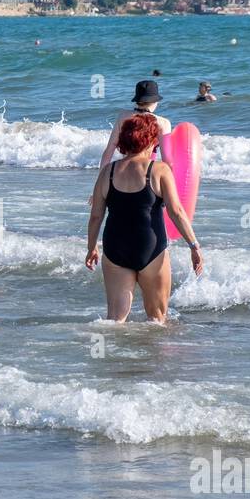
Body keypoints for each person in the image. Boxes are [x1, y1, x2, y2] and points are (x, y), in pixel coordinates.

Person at [86, 112, 203, 321]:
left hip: (115, 250)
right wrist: (194, 246)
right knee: (157, 319)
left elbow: (96, 216)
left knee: (115, 319)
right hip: (152, 250)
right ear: (151, 140)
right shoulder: (159, 170)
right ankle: (153, 355)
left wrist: (91, 247)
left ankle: (112, 353)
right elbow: (176, 212)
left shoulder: (107, 172)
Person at [99, 80, 172, 168]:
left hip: (124, 170)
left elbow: (109, 149)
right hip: (146, 172)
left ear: (137, 100)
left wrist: (102, 175)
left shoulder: (122, 116)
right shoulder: (163, 123)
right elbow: (167, 158)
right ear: (155, 101)